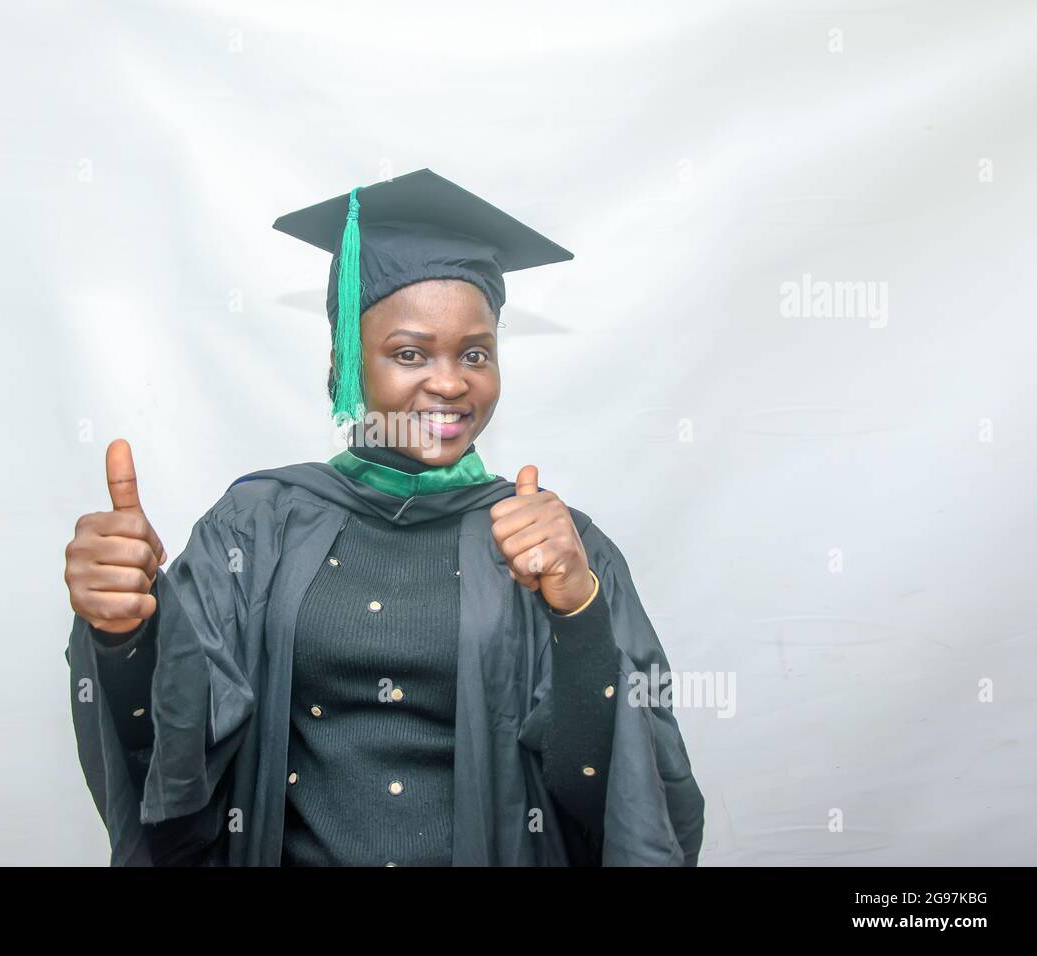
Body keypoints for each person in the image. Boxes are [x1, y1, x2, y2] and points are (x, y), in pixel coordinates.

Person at [63, 169, 705, 866]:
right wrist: (124, 635)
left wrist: (579, 615)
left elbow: (625, 797)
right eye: (409, 353)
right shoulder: (256, 527)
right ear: (346, 364)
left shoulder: (559, 546)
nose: (452, 381)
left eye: (476, 353)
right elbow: (177, 755)